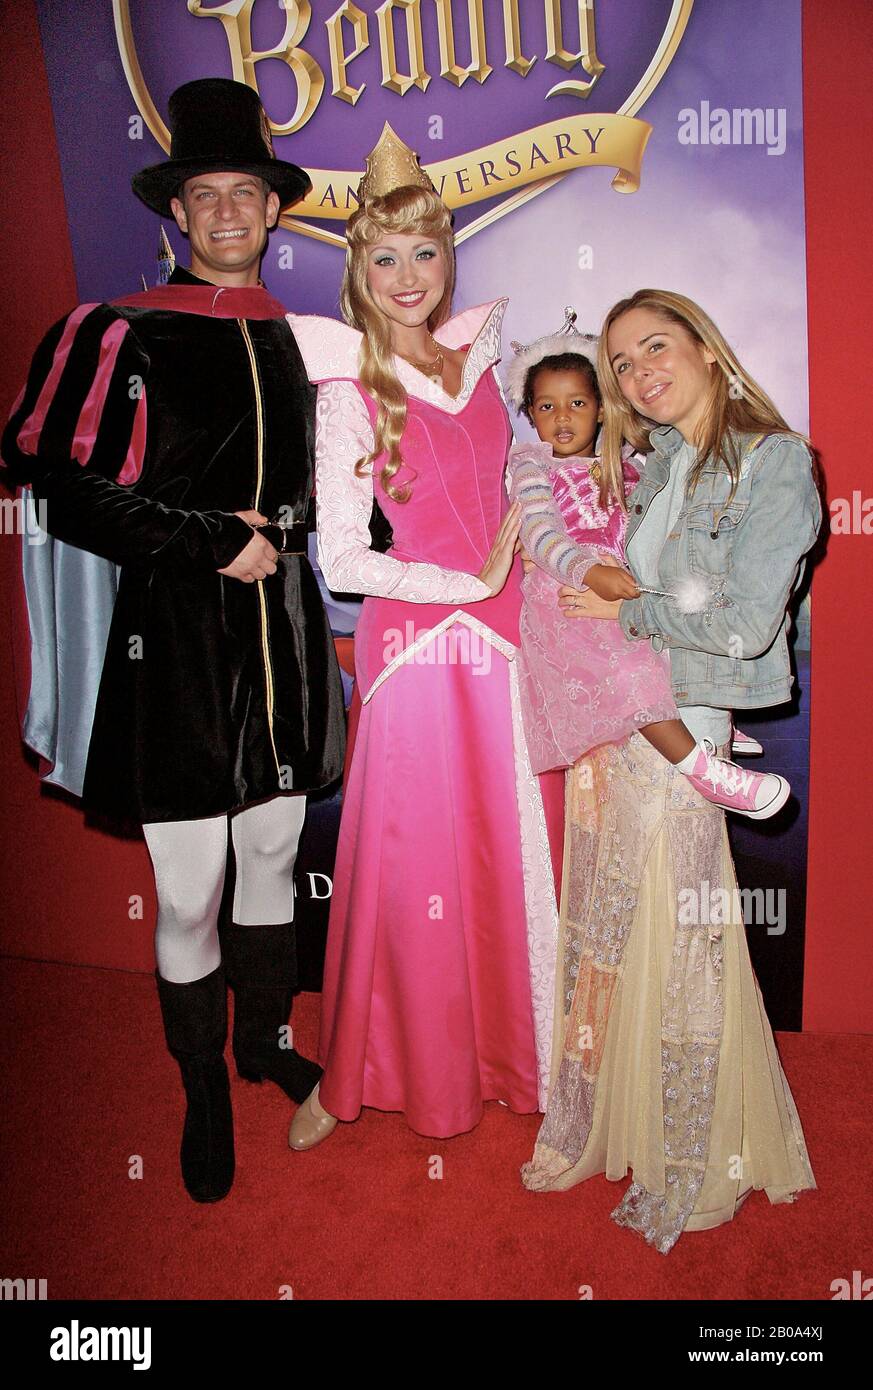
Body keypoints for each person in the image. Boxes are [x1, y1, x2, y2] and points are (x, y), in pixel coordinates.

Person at [1, 79, 345, 1203]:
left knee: (277, 862)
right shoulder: (122, 329)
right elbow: (64, 489)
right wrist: (207, 542)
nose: (230, 212)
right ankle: (203, 1084)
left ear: (273, 209)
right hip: (179, 656)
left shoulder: (306, 344)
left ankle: (261, 1043)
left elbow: (341, 496)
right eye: (208, 195)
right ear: (181, 214)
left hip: (288, 646)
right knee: (189, 892)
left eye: (246, 191)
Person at [520, 288, 819, 1252]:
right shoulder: (648, 466)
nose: (642, 373)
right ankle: (593, 1125)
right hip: (615, 726)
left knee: (683, 947)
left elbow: (742, 624)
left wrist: (626, 611)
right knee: (604, 939)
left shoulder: (775, 464)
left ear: (706, 347)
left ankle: (693, 1159)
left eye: (657, 347)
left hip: (684, 731)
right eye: (623, 363)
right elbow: (561, 538)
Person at [285, 126, 562, 1148]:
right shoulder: (346, 385)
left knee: (516, 859)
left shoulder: (493, 352)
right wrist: (466, 578)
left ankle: (524, 1060)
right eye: (386, 257)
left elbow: (524, 478)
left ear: (451, 258)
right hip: (416, 654)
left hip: (511, 646)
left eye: (426, 253)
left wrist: (552, 543)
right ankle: (360, 1066)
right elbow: (341, 560)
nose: (409, 277)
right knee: (411, 871)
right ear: (360, 265)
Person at [505, 311, 790, 817]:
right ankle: (702, 770)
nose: (563, 417)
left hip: (623, 583)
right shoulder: (532, 465)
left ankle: (700, 712)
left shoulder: (632, 464)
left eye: (577, 403)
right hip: (569, 596)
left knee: (659, 629)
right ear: (529, 413)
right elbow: (540, 533)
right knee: (629, 673)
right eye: (547, 406)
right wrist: (589, 572)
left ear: (600, 408)